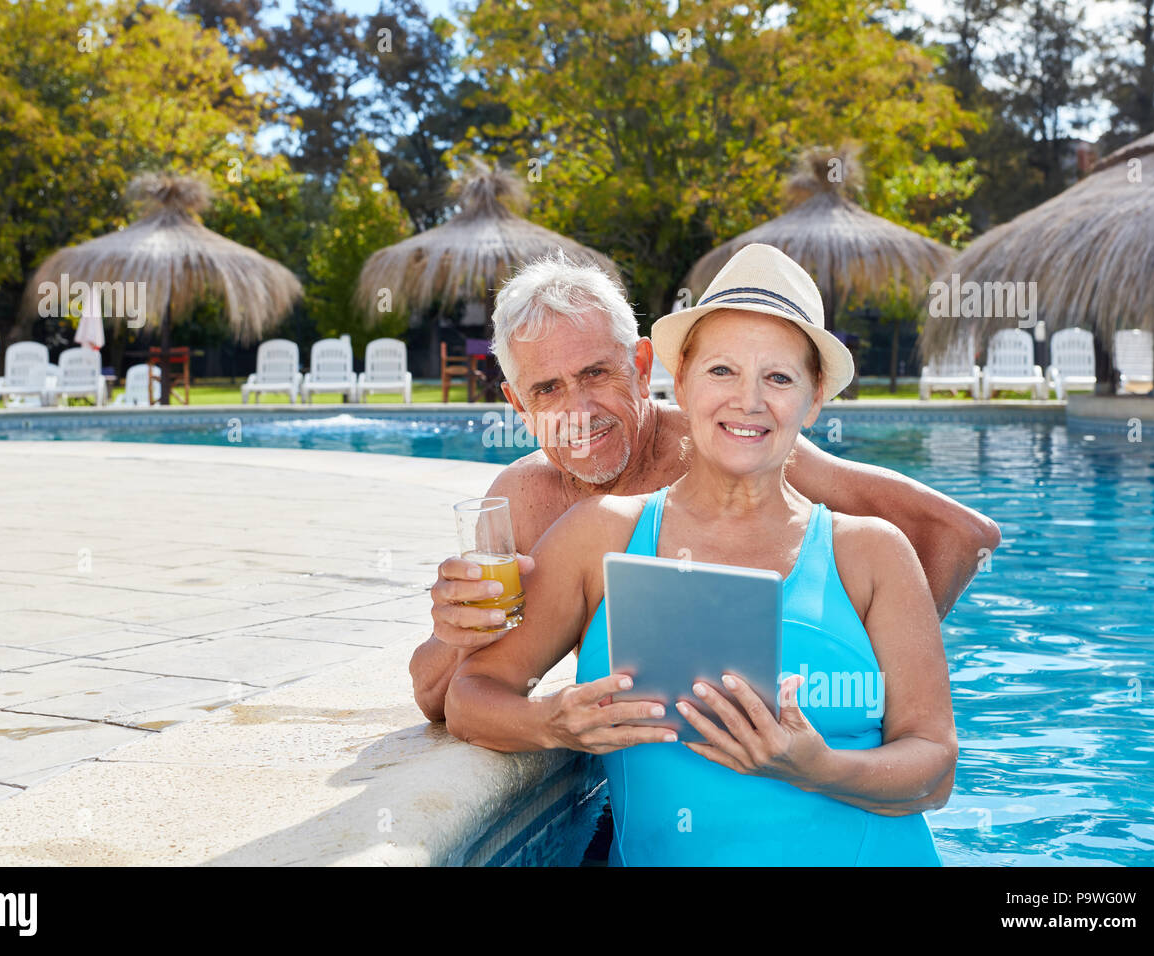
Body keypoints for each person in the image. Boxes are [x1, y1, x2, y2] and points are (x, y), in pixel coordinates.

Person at [443, 243, 958, 865]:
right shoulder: (598, 536)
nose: (748, 401)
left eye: (778, 378)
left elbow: (935, 770)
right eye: (722, 371)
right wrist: (549, 722)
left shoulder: (874, 553)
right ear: (680, 381)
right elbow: (469, 697)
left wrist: (818, 767)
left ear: (815, 398)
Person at [411, 252, 999, 722]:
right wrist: (456, 632)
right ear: (517, 403)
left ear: (643, 367)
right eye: (547, 390)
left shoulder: (730, 443)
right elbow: (440, 698)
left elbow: (960, 533)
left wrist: (867, 686)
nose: (579, 411)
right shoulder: (524, 497)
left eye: (596, 374)